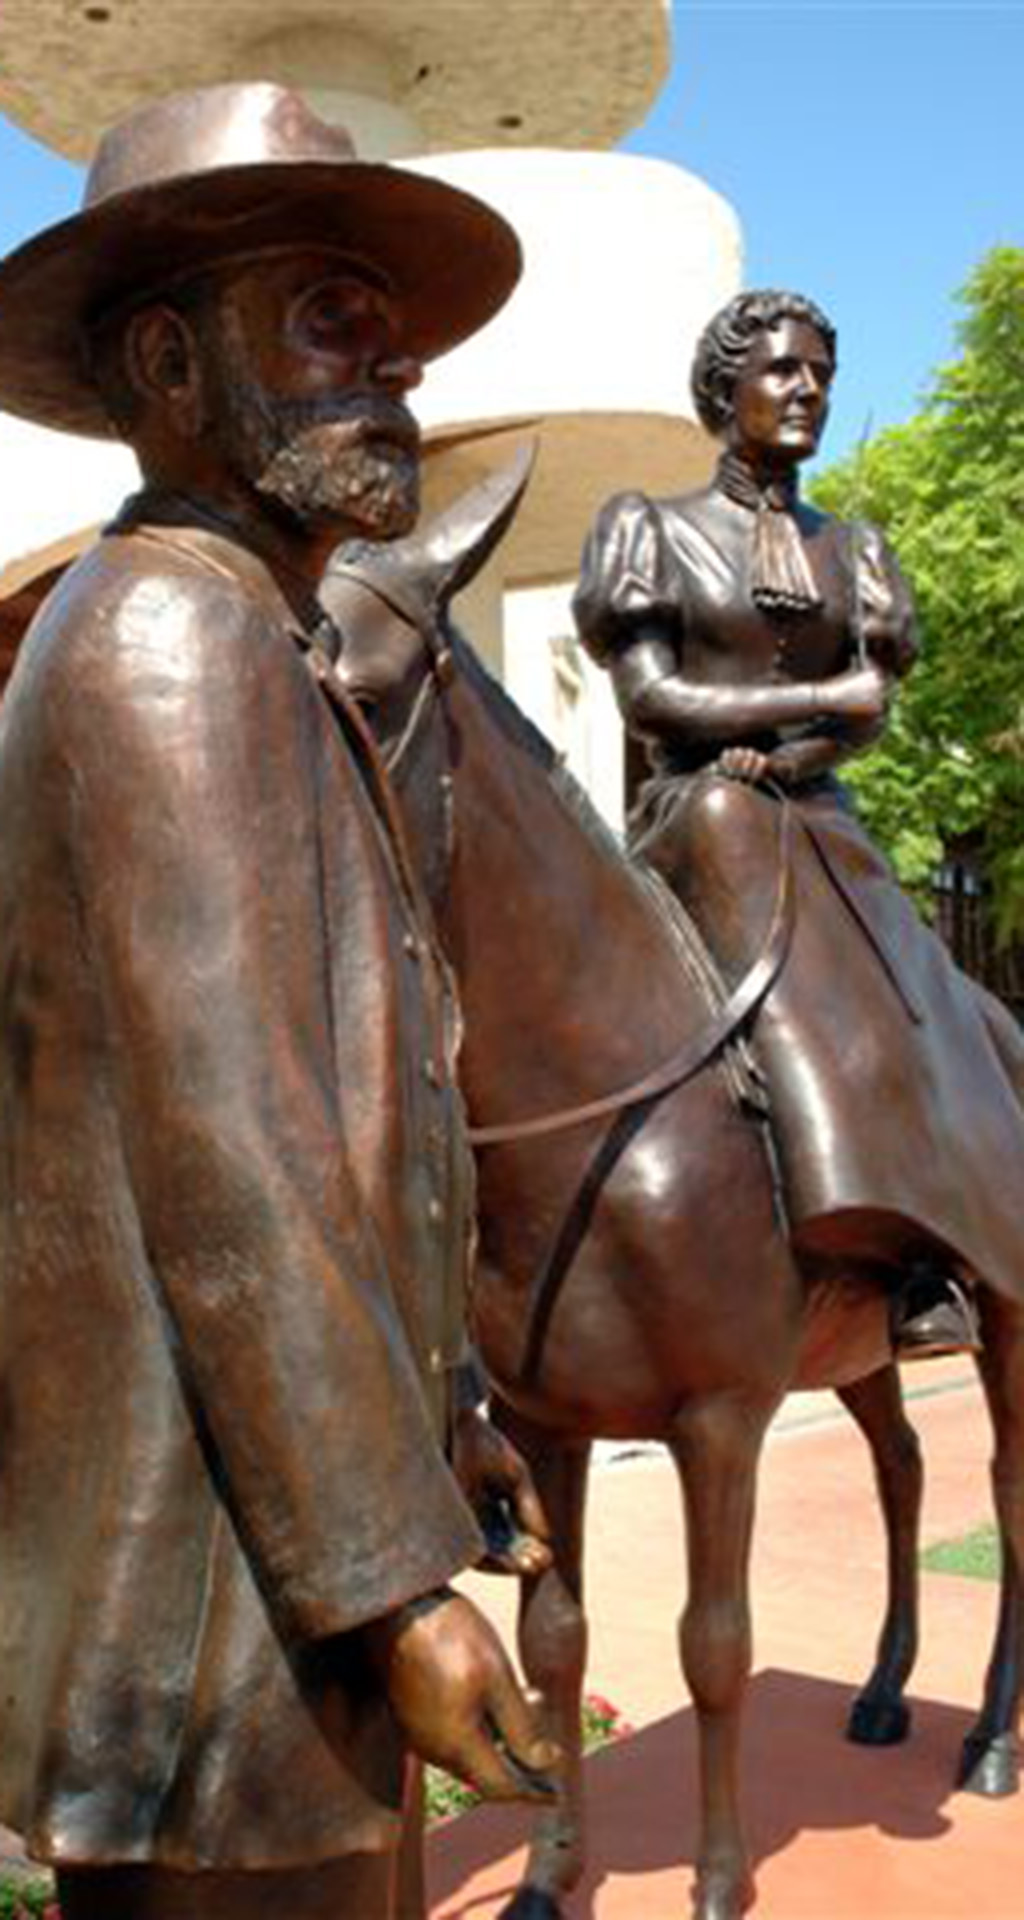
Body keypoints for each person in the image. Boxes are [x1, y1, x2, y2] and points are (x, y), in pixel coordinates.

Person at [0, 82, 555, 1920]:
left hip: (275, 1570)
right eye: (330, 321)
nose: (396, 373)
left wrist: (439, 1409)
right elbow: (233, 1153)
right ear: (169, 362)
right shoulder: (170, 638)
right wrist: (391, 1580)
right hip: (218, 1605)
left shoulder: (253, 630)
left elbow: (358, 1105)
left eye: (389, 335)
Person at [573, 287, 1024, 1358]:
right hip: (697, 810)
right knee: (728, 848)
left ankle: (925, 1249)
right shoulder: (651, 529)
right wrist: (809, 705)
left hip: (817, 812)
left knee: (911, 989)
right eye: (781, 369)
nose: (807, 389)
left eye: (820, 372)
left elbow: (865, 719)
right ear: (723, 390)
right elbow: (653, 701)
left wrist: (793, 757)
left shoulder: (851, 548)